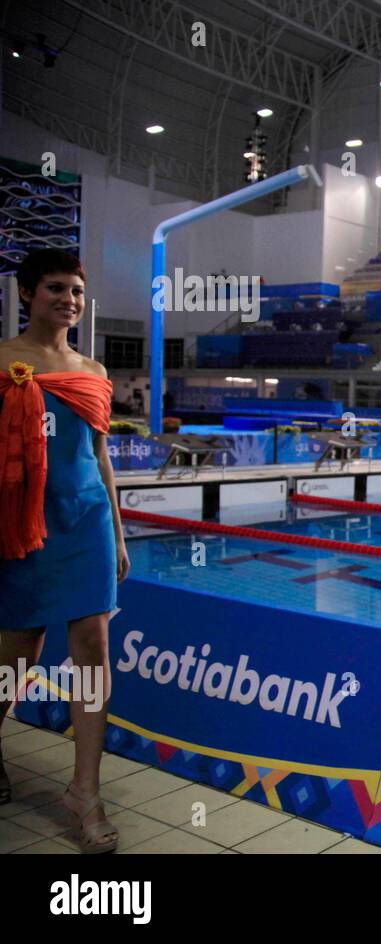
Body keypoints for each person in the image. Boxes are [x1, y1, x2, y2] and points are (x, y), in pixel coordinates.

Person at [0, 249, 127, 852]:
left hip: (86, 524)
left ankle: (86, 791)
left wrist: (120, 535)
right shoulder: (1, 362)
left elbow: (100, 458)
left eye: (77, 290)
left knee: (94, 649)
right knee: (17, 653)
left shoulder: (94, 371)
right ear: (26, 293)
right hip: (19, 524)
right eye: (55, 288)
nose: (68, 300)